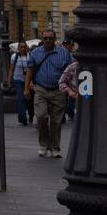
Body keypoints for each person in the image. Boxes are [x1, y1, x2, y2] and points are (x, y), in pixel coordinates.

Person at [25, 29, 72, 159]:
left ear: (54, 39)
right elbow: (29, 71)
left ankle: (55, 147)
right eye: (45, 38)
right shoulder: (35, 53)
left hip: (58, 90)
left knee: (56, 122)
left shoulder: (64, 53)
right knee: (41, 116)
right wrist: (26, 89)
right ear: (42, 39)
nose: (48, 41)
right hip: (41, 89)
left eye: (50, 38)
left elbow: (71, 71)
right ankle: (43, 144)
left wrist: (71, 88)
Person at [9, 41, 33, 126]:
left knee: (29, 99)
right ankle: (23, 118)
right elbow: (11, 69)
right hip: (18, 80)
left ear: (27, 48)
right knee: (21, 98)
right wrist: (9, 81)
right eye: (21, 47)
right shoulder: (14, 56)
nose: (23, 49)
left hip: (28, 80)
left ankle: (30, 115)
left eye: (24, 47)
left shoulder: (30, 56)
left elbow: (32, 70)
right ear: (18, 48)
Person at [59, 40, 79, 123]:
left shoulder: (73, 56)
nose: (66, 46)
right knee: (65, 100)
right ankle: (65, 115)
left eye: (68, 45)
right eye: (65, 44)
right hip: (69, 82)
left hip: (84, 92)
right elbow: (61, 81)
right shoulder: (62, 55)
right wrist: (70, 91)